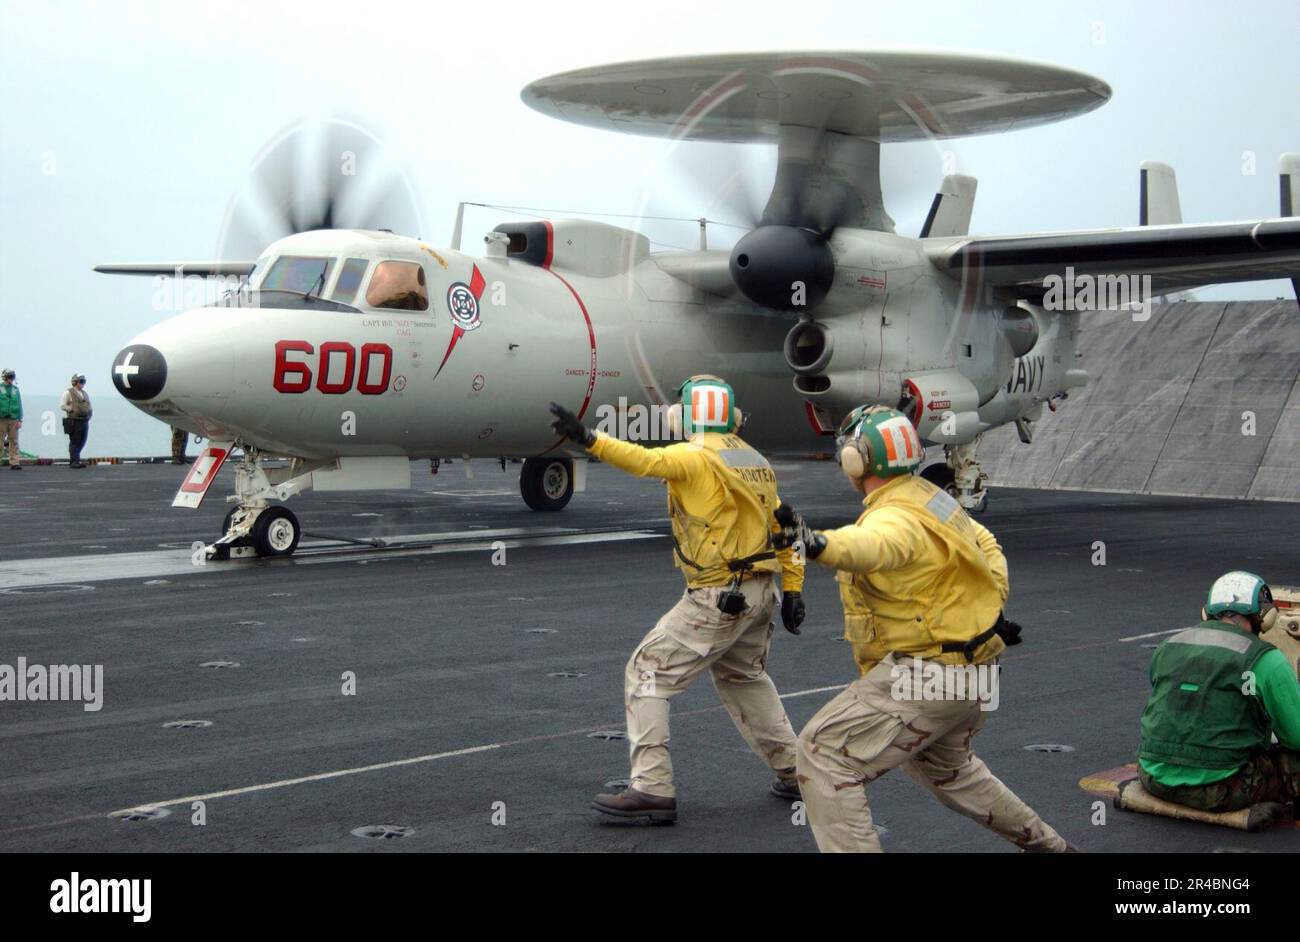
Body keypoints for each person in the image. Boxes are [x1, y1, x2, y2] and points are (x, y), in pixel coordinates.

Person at [773, 404, 1072, 852]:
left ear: (858, 459)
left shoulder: (891, 517)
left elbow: (871, 548)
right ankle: (1053, 848)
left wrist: (816, 544)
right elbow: (986, 544)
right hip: (975, 671)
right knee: (952, 772)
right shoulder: (934, 498)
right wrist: (987, 611)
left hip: (929, 677)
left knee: (822, 753)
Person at [549, 375, 807, 824]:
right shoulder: (754, 460)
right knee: (744, 678)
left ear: (687, 416)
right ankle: (798, 772)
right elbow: (788, 525)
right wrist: (794, 589)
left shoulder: (694, 456)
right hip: (762, 591)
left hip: (720, 594)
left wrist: (591, 439)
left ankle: (652, 788)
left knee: (646, 671)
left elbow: (644, 461)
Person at [1138, 571, 1300, 812]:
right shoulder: (1265, 659)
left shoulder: (1167, 647)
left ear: (1207, 612)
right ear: (1264, 616)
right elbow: (1296, 737)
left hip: (1153, 777)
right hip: (1220, 787)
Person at [60, 373, 92, 468]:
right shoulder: (68, 393)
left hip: (84, 420)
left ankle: (76, 459)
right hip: (74, 420)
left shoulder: (84, 393)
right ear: (75, 382)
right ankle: (74, 461)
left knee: (83, 440)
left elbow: (88, 405)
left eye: (84, 382)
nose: (83, 384)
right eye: (81, 382)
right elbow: (62, 405)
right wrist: (71, 409)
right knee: (75, 440)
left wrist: (89, 414)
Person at [0, 368, 22, 470]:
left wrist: (20, 419)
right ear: (4, 377)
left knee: (14, 441)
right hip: (2, 419)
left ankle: (15, 462)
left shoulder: (15, 390)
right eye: (9, 377)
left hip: (13, 419)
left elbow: (19, 404)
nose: (11, 379)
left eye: (12, 377)